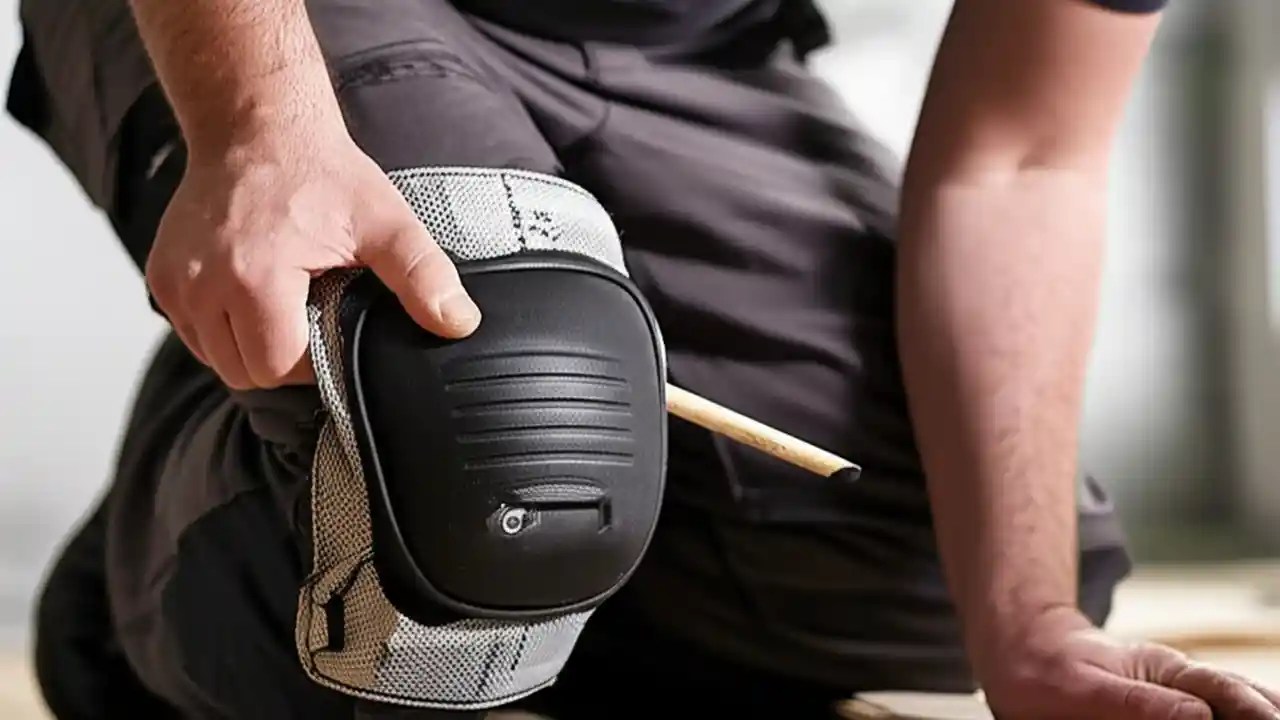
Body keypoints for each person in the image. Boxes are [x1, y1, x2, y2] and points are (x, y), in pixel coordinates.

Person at [8, 0, 1280, 718]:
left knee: (924, 573)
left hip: (678, 44)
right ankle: (180, 594)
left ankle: (333, 432)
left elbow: (1020, 158)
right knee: (503, 443)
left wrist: (1027, 624)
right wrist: (260, 127)